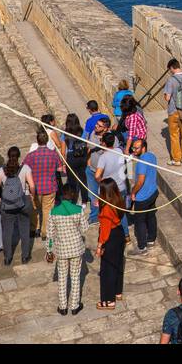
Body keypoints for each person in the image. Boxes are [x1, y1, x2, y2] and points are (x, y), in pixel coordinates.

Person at [46, 180, 89, 316]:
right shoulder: (78, 210)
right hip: (76, 248)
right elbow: (85, 228)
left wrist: (49, 250)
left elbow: (50, 234)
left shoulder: (54, 212)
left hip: (61, 250)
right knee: (76, 277)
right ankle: (75, 306)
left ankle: (62, 306)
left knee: (62, 277)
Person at [0, 146, 35, 265]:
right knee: (24, 229)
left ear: (8, 156)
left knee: (7, 231)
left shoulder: (1, 171)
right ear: (19, 156)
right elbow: (32, 186)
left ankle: (7, 258)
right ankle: (25, 256)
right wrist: (32, 196)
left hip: (7, 204)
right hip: (23, 202)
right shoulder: (25, 168)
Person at [23, 129, 63, 248]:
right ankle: (45, 232)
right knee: (47, 210)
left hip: (34, 187)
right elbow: (60, 168)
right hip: (50, 186)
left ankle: (34, 228)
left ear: (37, 141)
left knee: (35, 208)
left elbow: (24, 168)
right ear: (47, 140)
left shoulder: (31, 155)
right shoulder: (53, 154)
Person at [95, 177, 126, 309]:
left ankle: (108, 300)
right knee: (118, 264)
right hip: (119, 233)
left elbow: (105, 231)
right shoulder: (118, 200)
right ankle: (117, 292)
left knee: (107, 270)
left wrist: (99, 246)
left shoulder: (107, 209)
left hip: (111, 237)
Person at [94, 131, 130, 237]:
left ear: (104, 143)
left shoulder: (103, 157)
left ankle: (109, 235)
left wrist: (103, 182)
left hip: (109, 190)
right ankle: (126, 235)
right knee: (121, 213)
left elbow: (97, 175)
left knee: (107, 213)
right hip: (121, 187)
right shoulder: (119, 151)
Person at [129, 138, 159, 253]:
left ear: (143, 148)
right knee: (151, 215)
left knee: (139, 221)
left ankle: (142, 247)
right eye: (133, 147)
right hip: (153, 192)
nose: (134, 150)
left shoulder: (141, 162)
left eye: (136, 148)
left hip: (143, 197)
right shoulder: (152, 156)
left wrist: (133, 192)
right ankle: (151, 239)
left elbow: (140, 181)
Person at [85, 116, 111, 224]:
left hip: (104, 173)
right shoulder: (92, 134)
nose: (96, 126)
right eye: (97, 124)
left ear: (105, 128)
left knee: (106, 195)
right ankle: (94, 216)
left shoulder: (110, 139)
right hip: (91, 170)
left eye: (99, 126)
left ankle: (107, 216)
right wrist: (88, 163)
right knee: (92, 194)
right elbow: (89, 148)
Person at [62, 113, 91, 198]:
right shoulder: (84, 132)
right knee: (83, 179)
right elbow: (87, 146)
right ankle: (85, 200)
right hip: (82, 157)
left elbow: (63, 152)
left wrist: (64, 164)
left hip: (71, 158)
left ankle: (73, 199)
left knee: (72, 181)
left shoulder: (65, 134)